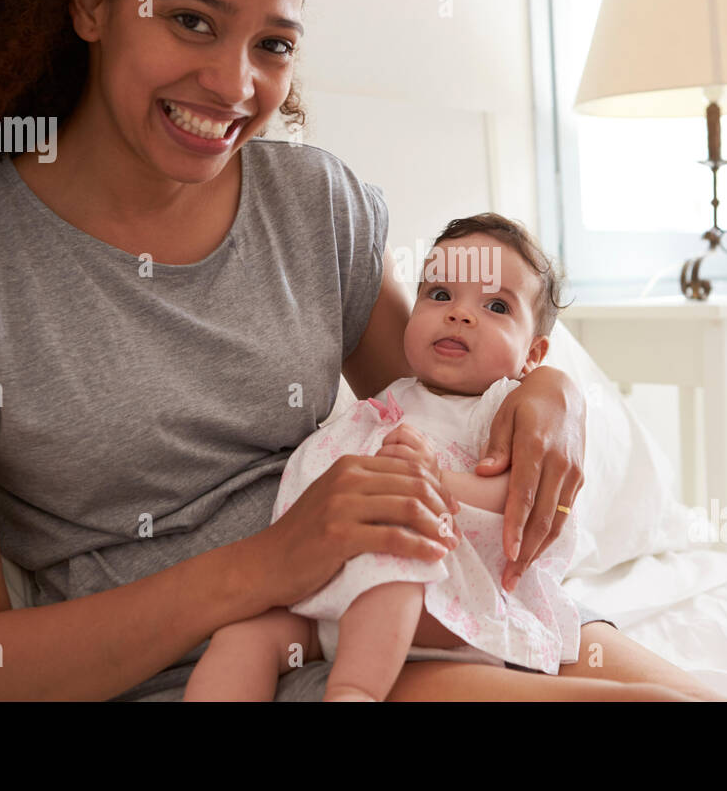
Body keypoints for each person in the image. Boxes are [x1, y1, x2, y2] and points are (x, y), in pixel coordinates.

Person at [0, 0, 724, 701]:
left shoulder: (313, 205)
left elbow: (435, 385)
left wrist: (546, 390)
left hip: (416, 601)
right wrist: (268, 563)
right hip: (243, 671)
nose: (236, 85)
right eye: (193, 22)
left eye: (273, 44)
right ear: (91, 3)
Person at [186, 216, 591, 701]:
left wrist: (435, 481)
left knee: (395, 571)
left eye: (496, 306)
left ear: (533, 354)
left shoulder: (499, 409)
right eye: (440, 295)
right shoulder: (386, 402)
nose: (460, 314)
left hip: (448, 601)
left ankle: (355, 691)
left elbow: (517, 497)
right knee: (245, 636)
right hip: (343, 599)